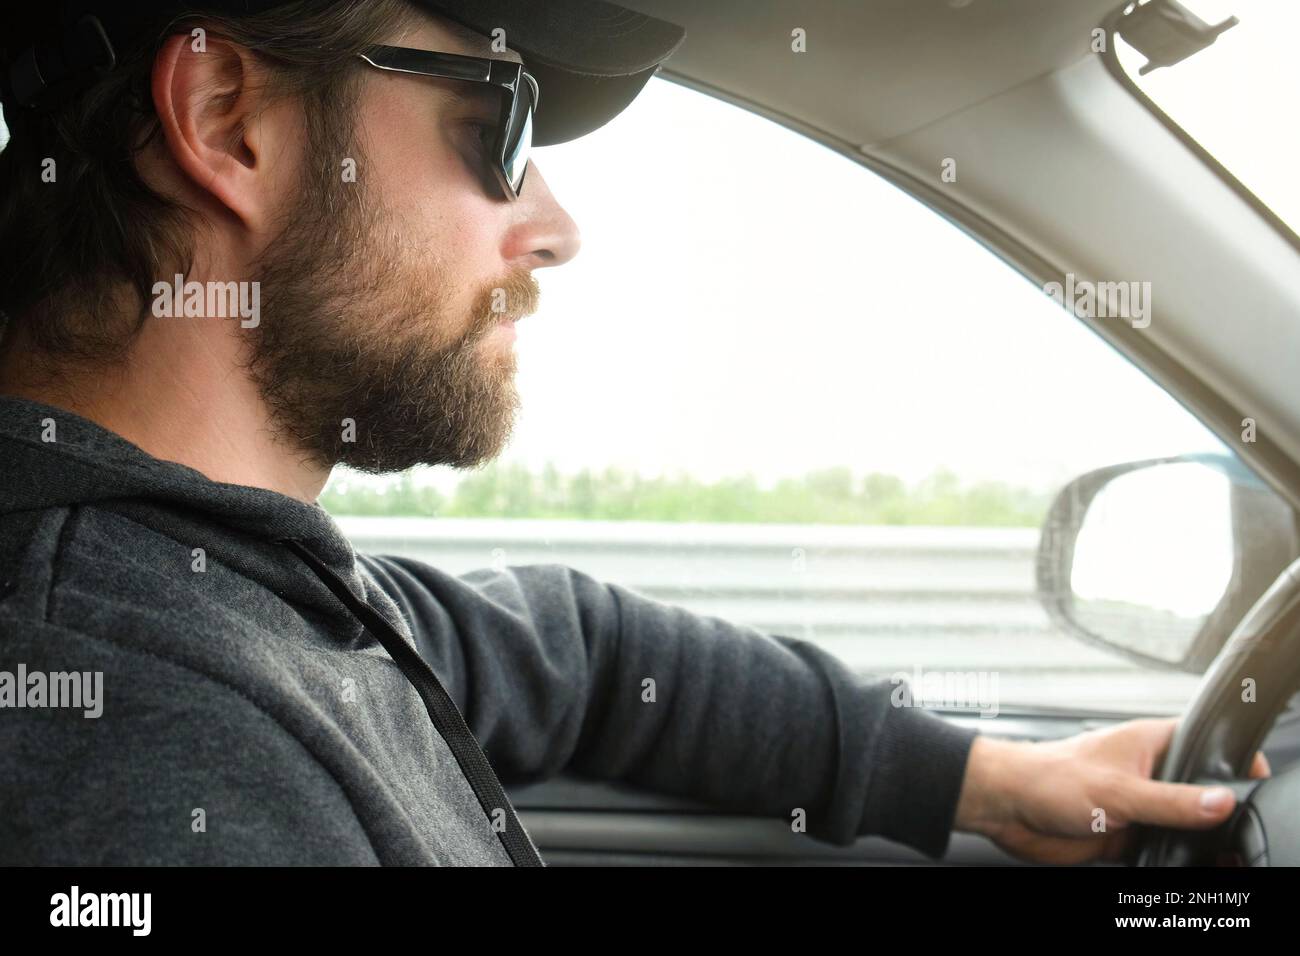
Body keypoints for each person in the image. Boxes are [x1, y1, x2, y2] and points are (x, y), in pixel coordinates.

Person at [0, 0, 1267, 865]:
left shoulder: (254, 594)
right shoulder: (131, 732)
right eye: (499, 123)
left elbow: (588, 653)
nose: (555, 223)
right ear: (230, 121)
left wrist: (982, 779)